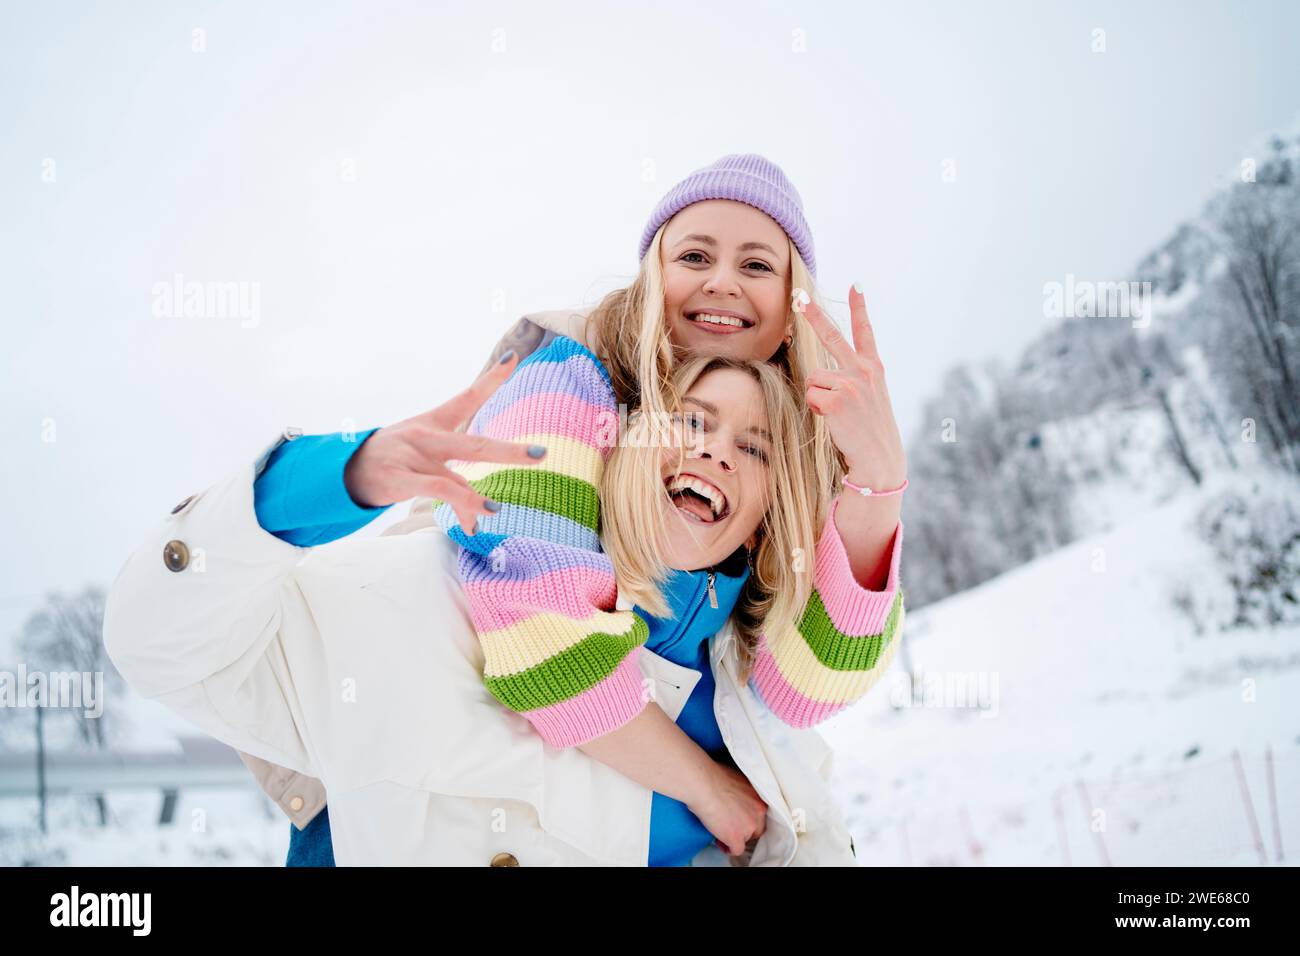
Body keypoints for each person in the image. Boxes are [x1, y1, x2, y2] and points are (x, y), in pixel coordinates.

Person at [105, 153, 909, 865]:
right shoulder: (555, 395)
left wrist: (876, 484)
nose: (723, 282)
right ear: (620, 432)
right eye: (694, 254)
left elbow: (809, 690)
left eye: (758, 448)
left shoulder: (742, 701)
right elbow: (168, 647)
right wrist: (331, 480)